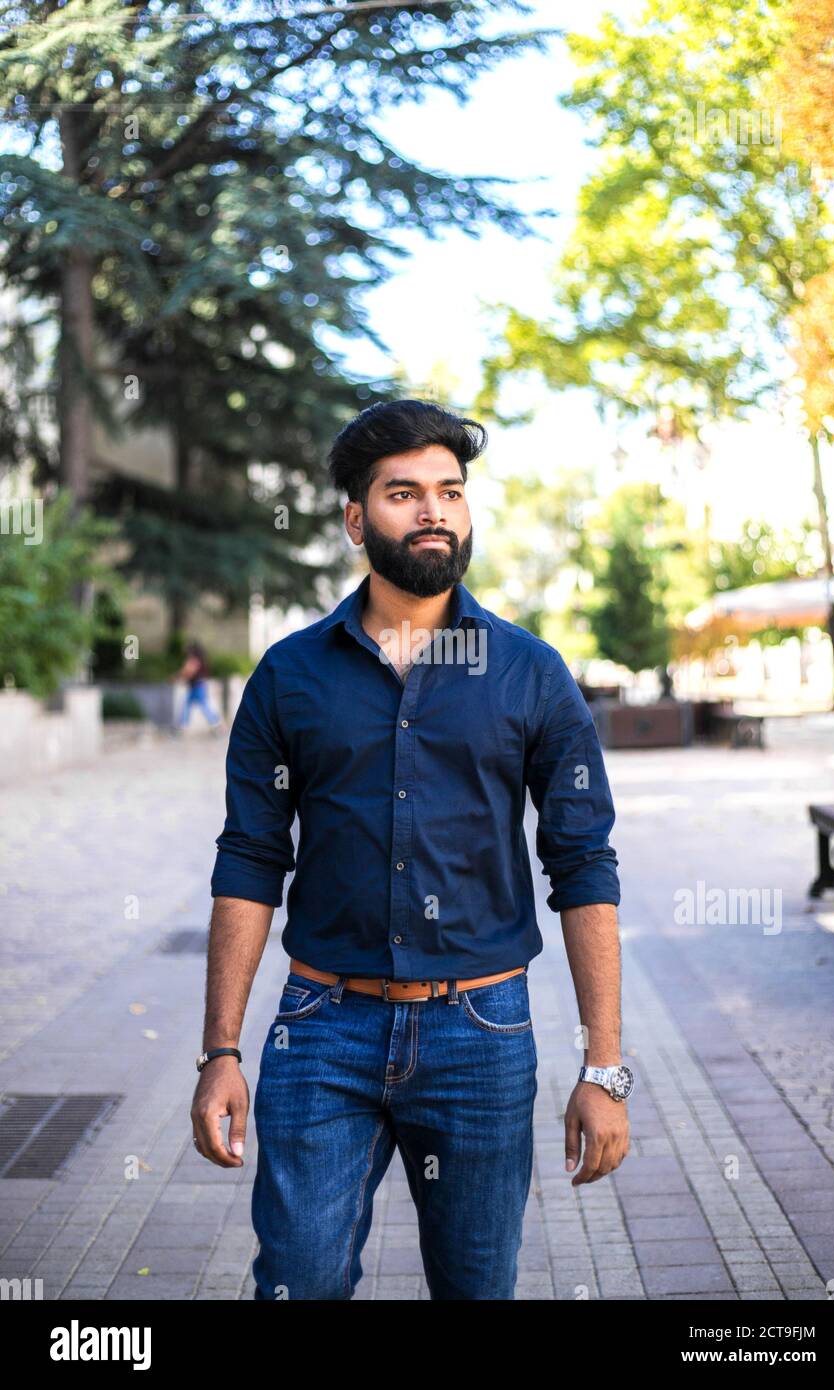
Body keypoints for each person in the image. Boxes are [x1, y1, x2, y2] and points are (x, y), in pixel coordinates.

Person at [191, 399, 631, 1301]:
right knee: (298, 1281)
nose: (433, 510)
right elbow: (249, 859)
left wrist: (604, 1067)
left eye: (450, 491)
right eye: (403, 493)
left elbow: (583, 865)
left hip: (483, 1034)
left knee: (477, 1287)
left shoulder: (530, 673)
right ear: (357, 519)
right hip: (322, 1031)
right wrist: (220, 1052)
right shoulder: (290, 674)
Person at [173, 641, 223, 733]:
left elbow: (188, 670)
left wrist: (177, 677)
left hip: (197, 686)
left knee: (202, 705)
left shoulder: (194, 659)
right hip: (197, 685)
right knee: (189, 704)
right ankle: (215, 723)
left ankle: (216, 723)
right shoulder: (201, 659)